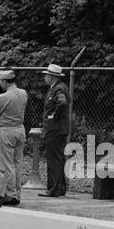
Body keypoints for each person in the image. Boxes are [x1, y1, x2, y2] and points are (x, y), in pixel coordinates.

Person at [0, 69, 28, 196]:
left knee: (6, 164)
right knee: (17, 163)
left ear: (4, 82)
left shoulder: (3, 97)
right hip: (20, 129)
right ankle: (17, 192)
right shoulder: (23, 93)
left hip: (6, 130)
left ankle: (10, 194)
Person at [39, 63, 70, 196]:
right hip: (57, 128)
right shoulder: (57, 88)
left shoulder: (58, 89)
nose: (45, 77)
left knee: (54, 159)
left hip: (55, 129)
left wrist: (54, 116)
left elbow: (62, 103)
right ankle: (60, 188)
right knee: (58, 158)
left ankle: (54, 189)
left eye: (46, 75)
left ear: (52, 77)